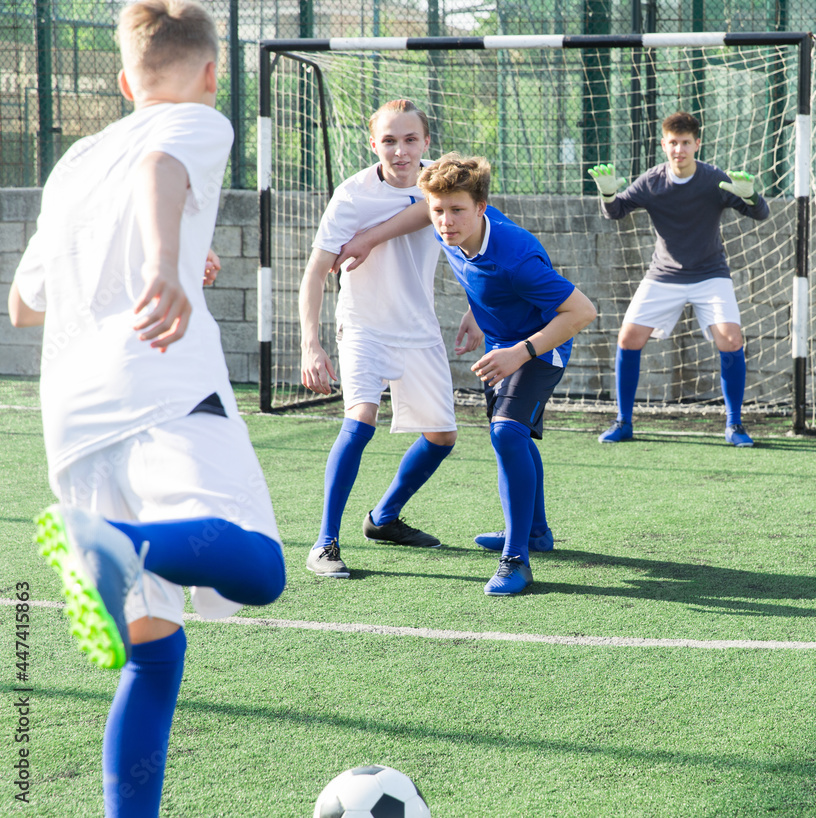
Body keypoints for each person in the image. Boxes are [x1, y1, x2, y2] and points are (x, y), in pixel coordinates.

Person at [7, 2, 285, 815]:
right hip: (160, 384)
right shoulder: (196, 119)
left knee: (153, 655)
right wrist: (164, 263)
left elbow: (24, 304)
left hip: (71, 419)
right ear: (211, 73)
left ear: (125, 82)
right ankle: (116, 546)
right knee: (262, 568)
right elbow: (159, 167)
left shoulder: (73, 164)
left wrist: (171, 254)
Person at [348, 153, 596, 595]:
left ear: (481, 208)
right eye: (438, 210)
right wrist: (476, 310)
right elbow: (424, 215)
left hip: (542, 345)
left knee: (506, 432)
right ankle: (535, 533)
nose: (446, 221)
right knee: (515, 434)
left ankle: (516, 559)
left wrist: (520, 352)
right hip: (501, 345)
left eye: (457, 210)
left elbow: (581, 312)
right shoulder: (449, 225)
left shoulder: (515, 258)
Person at [299, 99, 482, 580]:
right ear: (372, 144)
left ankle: (383, 518)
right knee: (361, 419)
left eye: (410, 140)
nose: (400, 151)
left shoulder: (441, 183)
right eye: (389, 140)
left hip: (418, 328)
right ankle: (324, 542)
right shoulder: (351, 195)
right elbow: (316, 272)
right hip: (364, 326)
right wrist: (310, 344)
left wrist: (478, 308)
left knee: (442, 437)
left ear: (426, 141)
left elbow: (477, 238)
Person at [588, 110, 770, 447]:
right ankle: (623, 422)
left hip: (710, 274)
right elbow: (615, 212)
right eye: (673, 143)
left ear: (697, 144)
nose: (679, 150)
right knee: (628, 338)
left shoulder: (714, 179)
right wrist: (608, 196)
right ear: (663, 144)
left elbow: (760, 213)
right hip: (664, 274)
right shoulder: (652, 181)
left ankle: (734, 425)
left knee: (731, 340)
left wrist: (751, 196)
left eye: (685, 143)